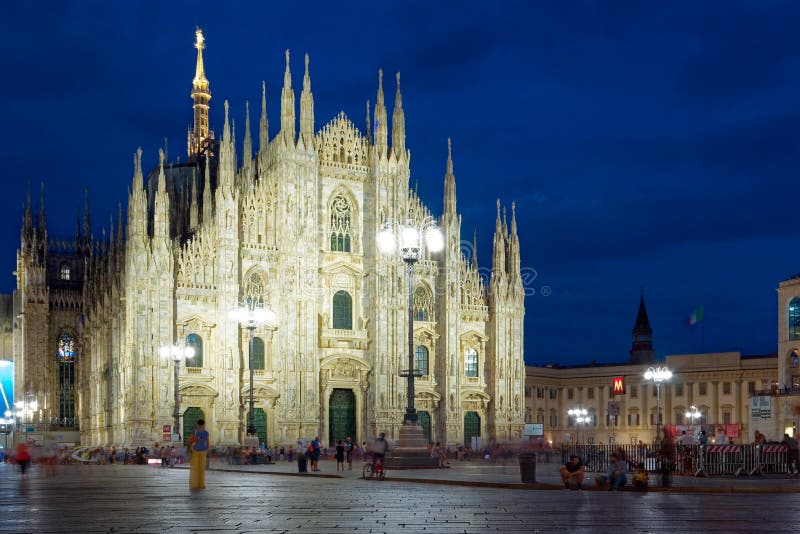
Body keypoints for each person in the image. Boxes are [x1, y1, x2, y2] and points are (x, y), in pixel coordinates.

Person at [189, 418, 209, 489]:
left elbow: (207, 442)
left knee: (199, 468)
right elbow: (190, 441)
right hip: (197, 451)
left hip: (200, 451)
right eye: (200, 426)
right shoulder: (195, 432)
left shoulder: (205, 432)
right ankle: (197, 484)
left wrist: (207, 449)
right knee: (198, 468)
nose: (201, 427)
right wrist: (197, 439)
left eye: (202, 426)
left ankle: (199, 484)